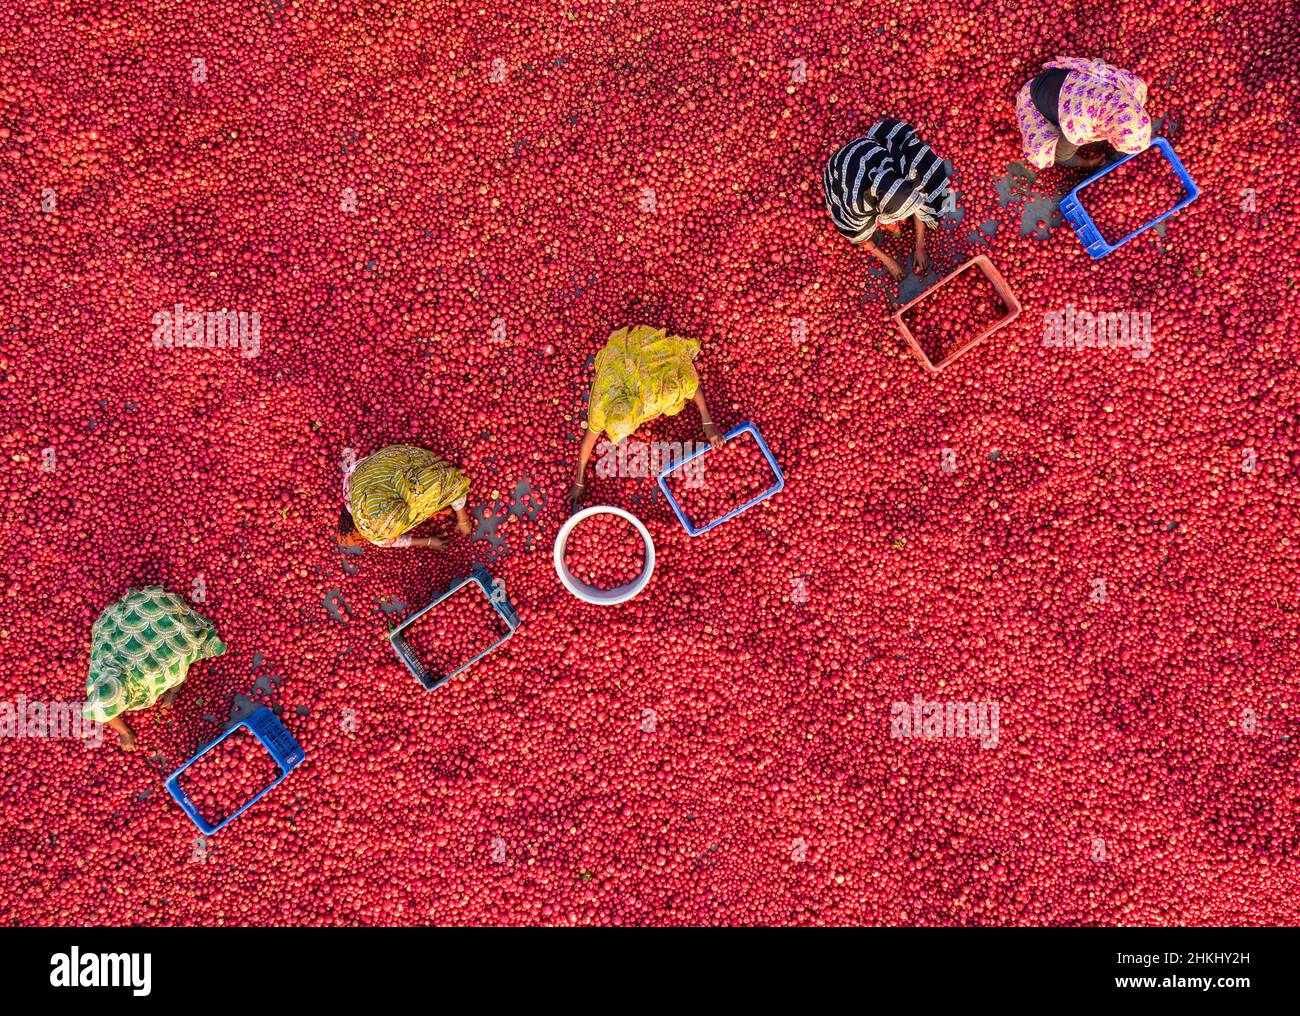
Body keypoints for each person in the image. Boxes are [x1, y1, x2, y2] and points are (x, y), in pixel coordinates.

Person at [568, 325, 722, 509]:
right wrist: (579, 481)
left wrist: (707, 422)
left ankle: (649, 343)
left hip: (646, 352)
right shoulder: (601, 407)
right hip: (619, 362)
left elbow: (692, 386)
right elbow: (587, 442)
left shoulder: (653, 393)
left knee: (673, 404)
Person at [83, 587, 227, 750]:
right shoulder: (99, 672)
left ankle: (175, 614)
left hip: (164, 619)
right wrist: (124, 732)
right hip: (135, 611)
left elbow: (178, 668)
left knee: (183, 647)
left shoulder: (149, 673)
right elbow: (102, 708)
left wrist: (172, 694)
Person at [823, 118, 952, 280]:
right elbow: (859, 237)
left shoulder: (898, 169)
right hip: (840, 171)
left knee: (923, 181)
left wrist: (920, 246)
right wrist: (889, 262)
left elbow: (917, 198)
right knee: (859, 230)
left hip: (867, 153)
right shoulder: (853, 206)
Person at [1016, 57, 1152, 170]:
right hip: (1034, 93)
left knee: (1137, 90)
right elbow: (1061, 156)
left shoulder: (1125, 95)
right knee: (1040, 156)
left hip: (1065, 78)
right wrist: (1087, 163)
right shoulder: (1080, 125)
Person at [339, 444, 474, 549]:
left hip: (403, 464)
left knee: (436, 495)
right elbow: (389, 540)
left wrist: (462, 519)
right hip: (385, 461)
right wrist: (429, 541)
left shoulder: (415, 491)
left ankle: (425, 464)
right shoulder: (350, 489)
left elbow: (452, 484)